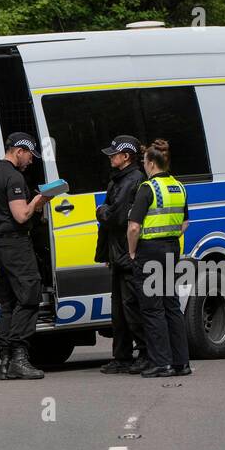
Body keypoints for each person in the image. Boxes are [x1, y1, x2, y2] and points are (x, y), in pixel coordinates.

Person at [0, 132, 50, 379]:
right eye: (29, 155)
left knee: (9, 302)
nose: (31, 161)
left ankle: (5, 360)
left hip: (2, 245)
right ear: (19, 151)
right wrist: (37, 200)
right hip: (16, 244)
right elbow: (21, 215)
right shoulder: (13, 177)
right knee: (30, 295)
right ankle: (19, 356)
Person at [128, 138, 192, 378]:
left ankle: (160, 363)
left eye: (144, 161)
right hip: (171, 249)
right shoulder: (179, 187)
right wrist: (170, 232)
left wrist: (133, 252)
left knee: (152, 309)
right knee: (171, 307)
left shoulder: (148, 188)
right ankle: (181, 363)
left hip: (150, 251)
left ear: (152, 163)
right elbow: (185, 222)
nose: (144, 165)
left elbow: (134, 227)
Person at [94, 135, 148, 374]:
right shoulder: (120, 179)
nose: (110, 157)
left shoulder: (132, 180)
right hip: (118, 252)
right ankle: (122, 356)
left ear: (126, 156)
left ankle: (145, 353)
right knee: (119, 309)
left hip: (128, 252)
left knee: (131, 307)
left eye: (114, 153)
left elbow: (115, 217)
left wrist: (101, 210)